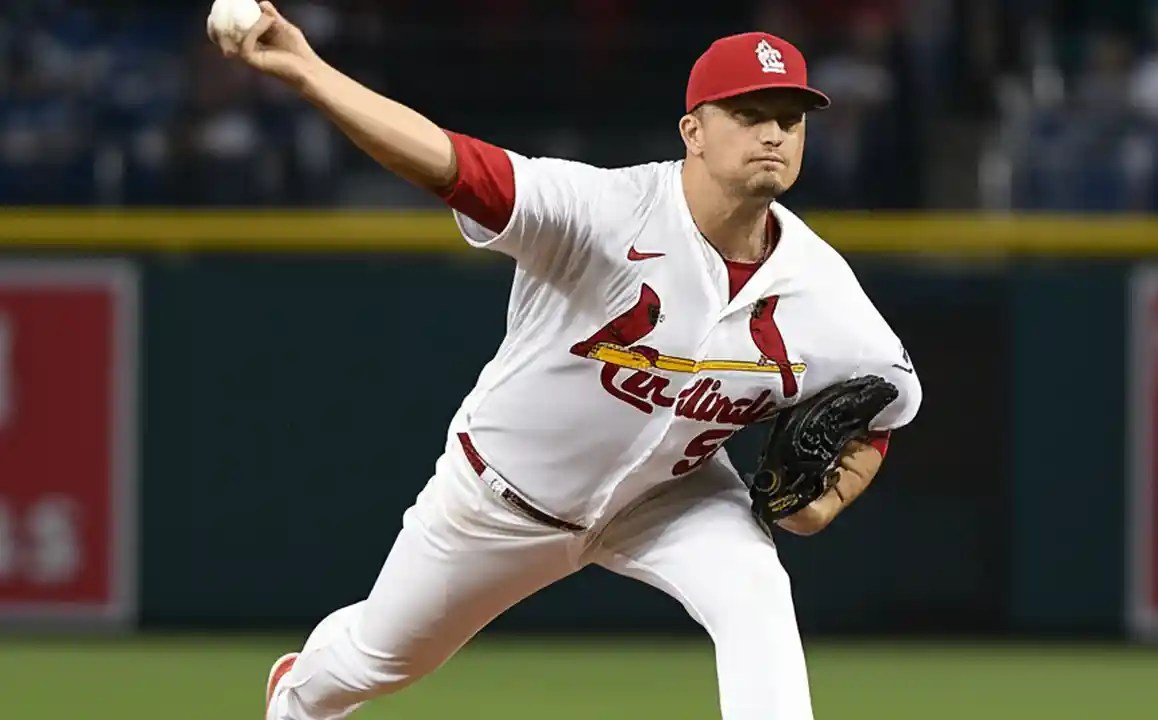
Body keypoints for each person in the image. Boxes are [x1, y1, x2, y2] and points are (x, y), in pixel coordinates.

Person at [213, 4, 923, 719]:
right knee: (376, 660)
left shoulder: (824, 292)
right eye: (749, 113)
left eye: (790, 119)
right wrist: (308, 72)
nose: (773, 133)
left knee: (756, 593)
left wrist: (829, 500)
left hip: (671, 497)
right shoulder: (605, 212)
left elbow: (886, 405)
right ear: (693, 132)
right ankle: (299, 693)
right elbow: (450, 163)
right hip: (504, 499)